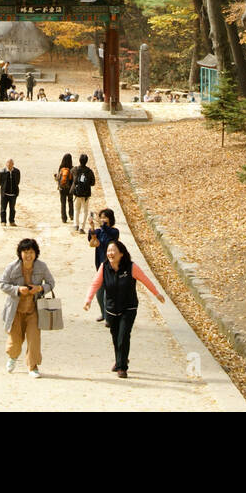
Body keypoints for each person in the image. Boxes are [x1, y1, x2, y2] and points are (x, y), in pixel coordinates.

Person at [83, 239, 164, 377]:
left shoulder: (131, 267)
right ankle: (120, 359)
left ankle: (122, 368)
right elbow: (95, 284)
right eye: (108, 251)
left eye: (113, 250)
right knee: (115, 337)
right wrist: (88, 300)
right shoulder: (104, 267)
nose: (110, 253)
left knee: (123, 336)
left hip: (129, 307)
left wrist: (156, 293)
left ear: (121, 253)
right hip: (111, 308)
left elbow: (145, 279)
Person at [0, 238, 55, 378]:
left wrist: (40, 288)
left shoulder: (42, 267)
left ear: (36, 253)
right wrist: (17, 289)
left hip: (34, 310)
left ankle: (33, 366)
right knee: (15, 340)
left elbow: (51, 282)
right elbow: (2, 284)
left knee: (34, 339)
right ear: (20, 253)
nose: (28, 255)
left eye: (31, 252)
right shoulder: (12, 267)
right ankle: (12, 357)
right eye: (25, 252)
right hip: (16, 310)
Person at [87, 208, 119, 320]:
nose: (103, 219)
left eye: (105, 217)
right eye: (101, 217)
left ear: (110, 219)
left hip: (111, 266)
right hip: (100, 265)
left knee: (108, 294)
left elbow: (111, 234)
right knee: (99, 293)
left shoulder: (114, 231)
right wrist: (92, 226)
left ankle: (109, 317)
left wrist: (103, 225)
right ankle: (103, 314)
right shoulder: (99, 231)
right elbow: (90, 238)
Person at [70, 154, 95, 232]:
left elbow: (71, 179)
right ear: (86, 161)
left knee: (76, 209)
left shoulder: (75, 169)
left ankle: (75, 225)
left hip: (77, 193)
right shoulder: (89, 171)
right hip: (86, 194)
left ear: (79, 160)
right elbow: (93, 183)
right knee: (85, 210)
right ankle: (82, 227)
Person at [0, 158, 21, 225]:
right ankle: (3, 221)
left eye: (11, 163)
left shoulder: (17, 171)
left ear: (13, 164)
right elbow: (0, 182)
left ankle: (12, 221)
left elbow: (18, 181)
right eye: (8, 163)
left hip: (13, 194)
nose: (9, 165)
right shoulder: (2, 172)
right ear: (6, 164)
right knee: (3, 208)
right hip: (4, 194)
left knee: (12, 209)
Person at [55, 153, 74, 224]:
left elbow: (58, 178)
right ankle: (71, 214)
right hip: (70, 188)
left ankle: (64, 218)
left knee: (63, 203)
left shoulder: (61, 168)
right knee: (70, 201)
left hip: (62, 188)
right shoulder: (72, 168)